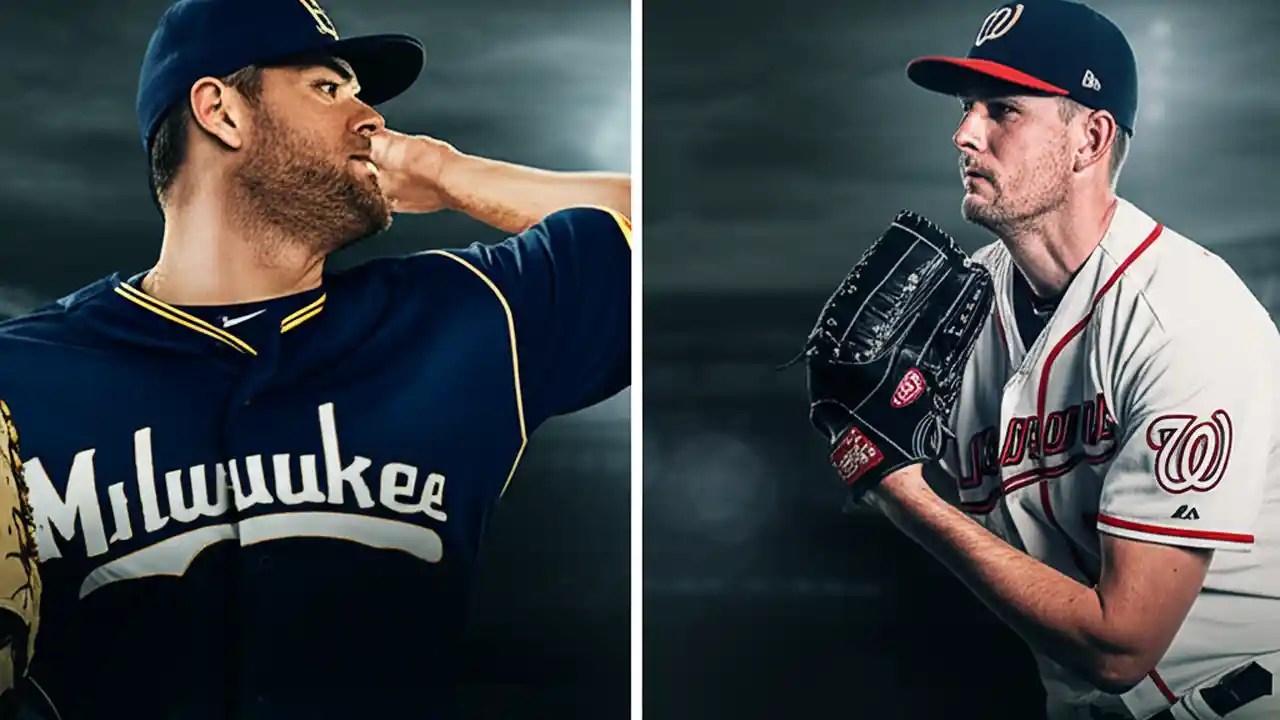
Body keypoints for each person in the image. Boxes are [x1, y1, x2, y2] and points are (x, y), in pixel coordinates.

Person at [0, 0, 630, 717]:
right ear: (222, 112)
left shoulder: (464, 315)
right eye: (329, 89)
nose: (371, 119)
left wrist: (449, 172)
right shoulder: (19, 380)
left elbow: (651, 231)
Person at [860, 2, 1280, 718]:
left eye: (1003, 110)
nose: (964, 133)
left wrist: (900, 489)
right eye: (967, 108)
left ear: (1090, 138)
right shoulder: (959, 310)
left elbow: (1124, 646)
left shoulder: (1186, 313)